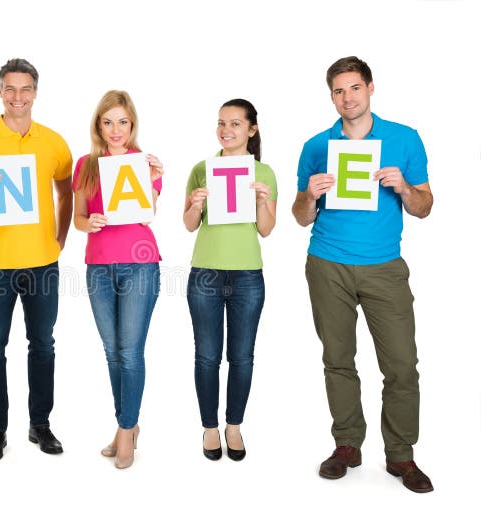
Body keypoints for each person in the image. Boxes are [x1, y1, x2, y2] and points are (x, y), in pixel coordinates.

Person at [292, 56, 434, 493]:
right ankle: (347, 445)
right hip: (327, 263)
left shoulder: (404, 138)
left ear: (370, 88)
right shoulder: (318, 145)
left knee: (402, 365)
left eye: (354, 88)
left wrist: (404, 188)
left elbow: (425, 207)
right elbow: (299, 216)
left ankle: (401, 455)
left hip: (384, 267)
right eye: (338, 90)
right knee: (337, 359)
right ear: (331, 95)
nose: (347, 98)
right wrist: (310, 195)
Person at [0, 58, 73, 463]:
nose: (18, 97)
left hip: (43, 263)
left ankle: (39, 424)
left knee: (43, 345)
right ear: (0, 91)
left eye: (25, 89)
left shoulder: (54, 143)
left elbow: (66, 193)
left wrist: (59, 240)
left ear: (36, 92)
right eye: (10, 89)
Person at [72, 90, 163, 469]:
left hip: (140, 265)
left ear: (132, 124)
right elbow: (77, 218)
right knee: (112, 352)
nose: (115, 130)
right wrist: (87, 222)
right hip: (99, 267)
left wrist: (154, 180)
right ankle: (128, 424)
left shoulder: (144, 163)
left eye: (122, 122)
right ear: (99, 125)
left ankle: (125, 429)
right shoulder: (86, 165)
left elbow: (147, 216)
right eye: (108, 122)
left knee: (130, 351)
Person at [183, 98, 277, 462]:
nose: (226, 130)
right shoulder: (201, 169)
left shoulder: (264, 172)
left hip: (247, 275)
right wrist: (194, 203)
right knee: (207, 356)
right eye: (221, 123)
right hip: (205, 272)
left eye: (235, 124)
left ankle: (233, 426)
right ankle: (209, 428)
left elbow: (266, 230)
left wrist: (264, 203)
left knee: (242, 356)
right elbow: (189, 225)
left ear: (251, 129)